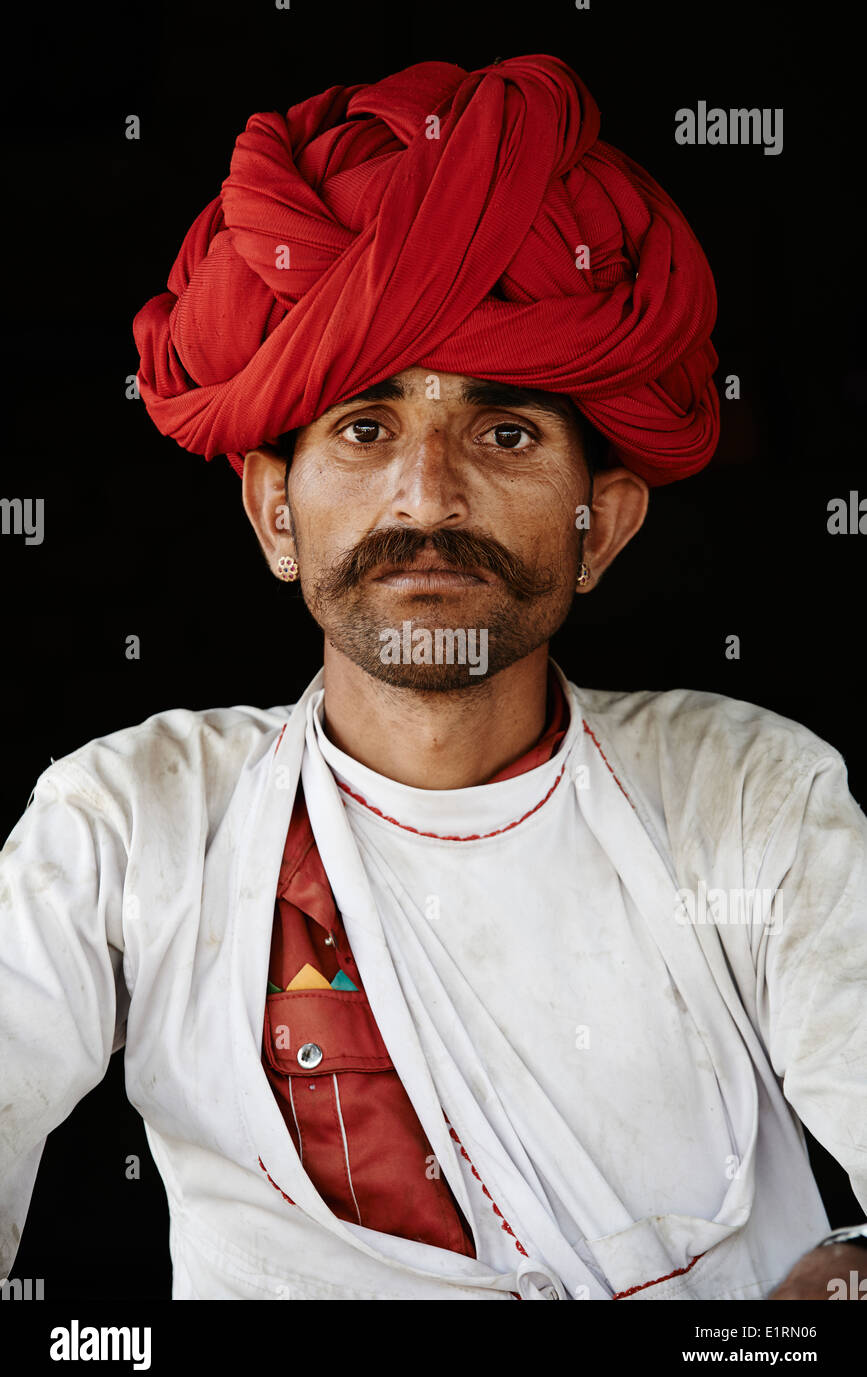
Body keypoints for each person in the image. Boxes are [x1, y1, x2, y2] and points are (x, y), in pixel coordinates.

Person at [1, 54, 864, 1302]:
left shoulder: (751, 797)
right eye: (366, 426)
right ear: (273, 513)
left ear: (601, 526)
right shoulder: (132, 823)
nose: (428, 495)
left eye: (505, 432)